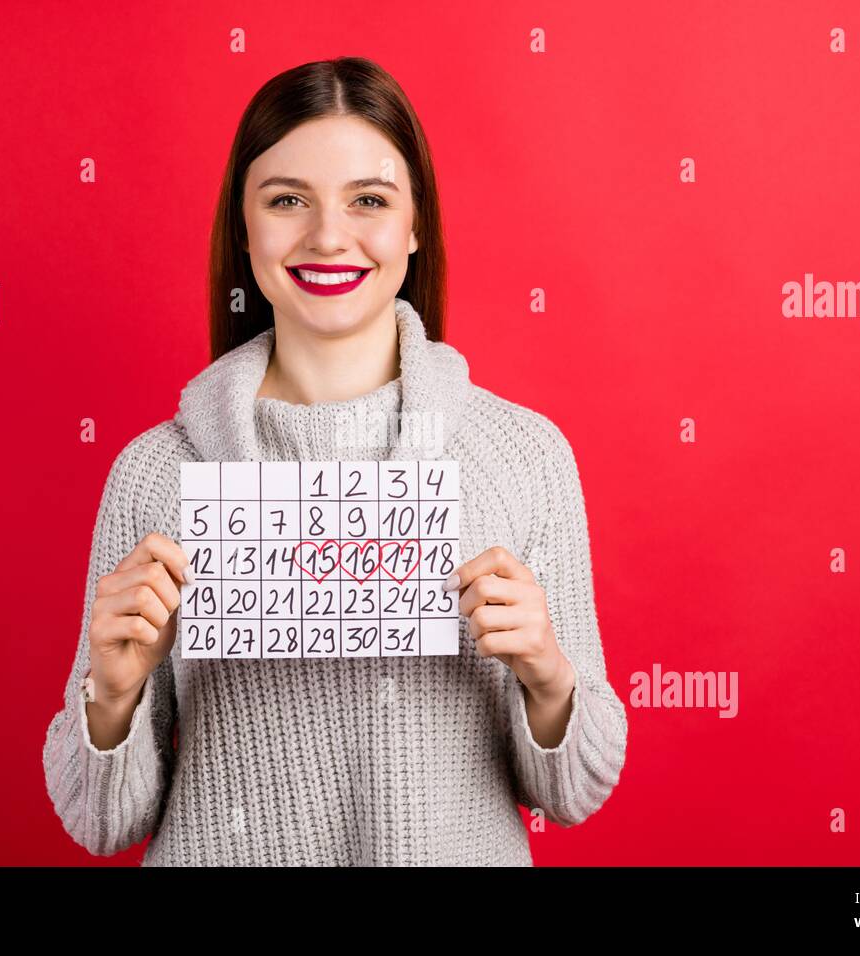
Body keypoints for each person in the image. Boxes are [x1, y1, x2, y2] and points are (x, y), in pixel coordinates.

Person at [42, 56, 628, 866]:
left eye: (370, 201)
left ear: (415, 225)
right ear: (243, 227)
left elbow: (573, 794)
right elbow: (100, 824)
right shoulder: (154, 475)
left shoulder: (523, 456)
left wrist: (550, 678)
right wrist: (112, 697)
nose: (326, 235)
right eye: (287, 200)